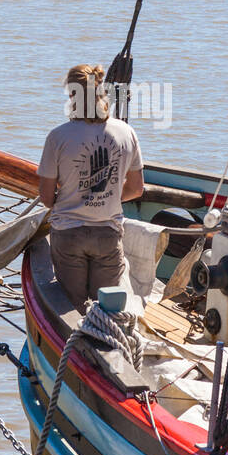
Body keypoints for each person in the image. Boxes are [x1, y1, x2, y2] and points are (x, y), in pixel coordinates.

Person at [37, 64, 145, 313]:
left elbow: (45, 196)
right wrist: (108, 198)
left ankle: (70, 348)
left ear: (72, 95)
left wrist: (73, 198)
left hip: (68, 234)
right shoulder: (126, 132)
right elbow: (137, 188)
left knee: (72, 310)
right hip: (107, 233)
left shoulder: (58, 137)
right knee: (105, 310)